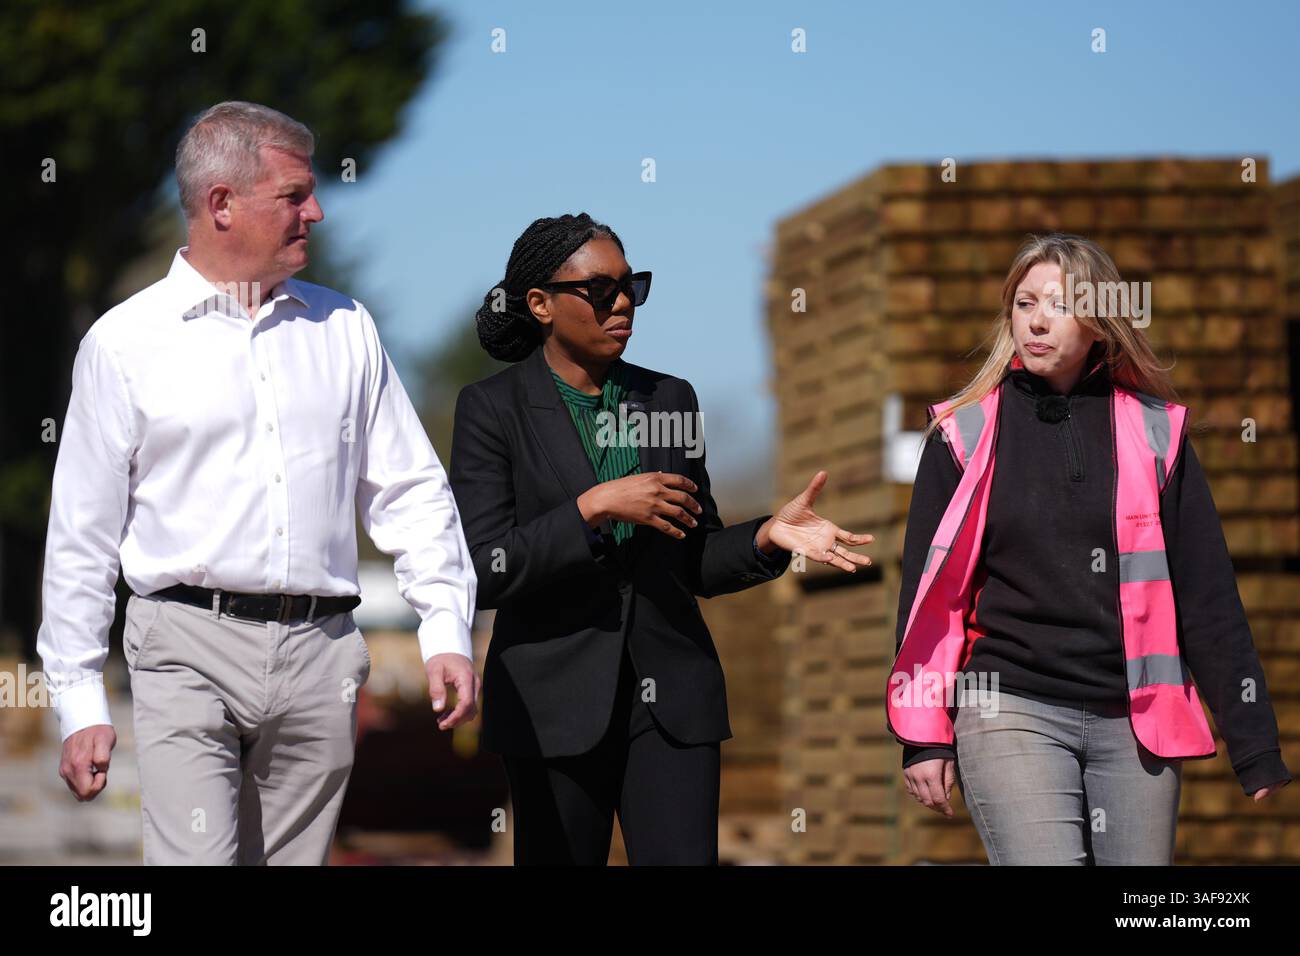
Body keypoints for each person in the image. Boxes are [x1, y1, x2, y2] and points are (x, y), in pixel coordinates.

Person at [36, 101, 478, 864]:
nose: (318, 210)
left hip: (323, 654)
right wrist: (77, 699)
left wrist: (444, 626)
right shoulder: (123, 345)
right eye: (294, 195)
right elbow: (82, 533)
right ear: (221, 204)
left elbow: (410, 490)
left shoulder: (346, 330)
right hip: (182, 644)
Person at [450, 212, 872, 864]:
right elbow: (484, 569)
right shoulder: (491, 409)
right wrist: (591, 508)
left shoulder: (670, 400)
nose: (622, 304)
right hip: (551, 705)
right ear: (540, 304)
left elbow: (694, 559)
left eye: (631, 286)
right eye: (599, 291)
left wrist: (766, 537)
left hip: (671, 699)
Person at [889, 233, 1292, 865]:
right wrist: (923, 737)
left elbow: (1207, 596)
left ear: (1099, 322)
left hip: (1135, 720)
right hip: (1009, 705)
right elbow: (927, 599)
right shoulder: (962, 434)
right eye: (1024, 304)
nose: (1037, 320)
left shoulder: (1158, 433)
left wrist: (1253, 740)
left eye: (1058, 304)